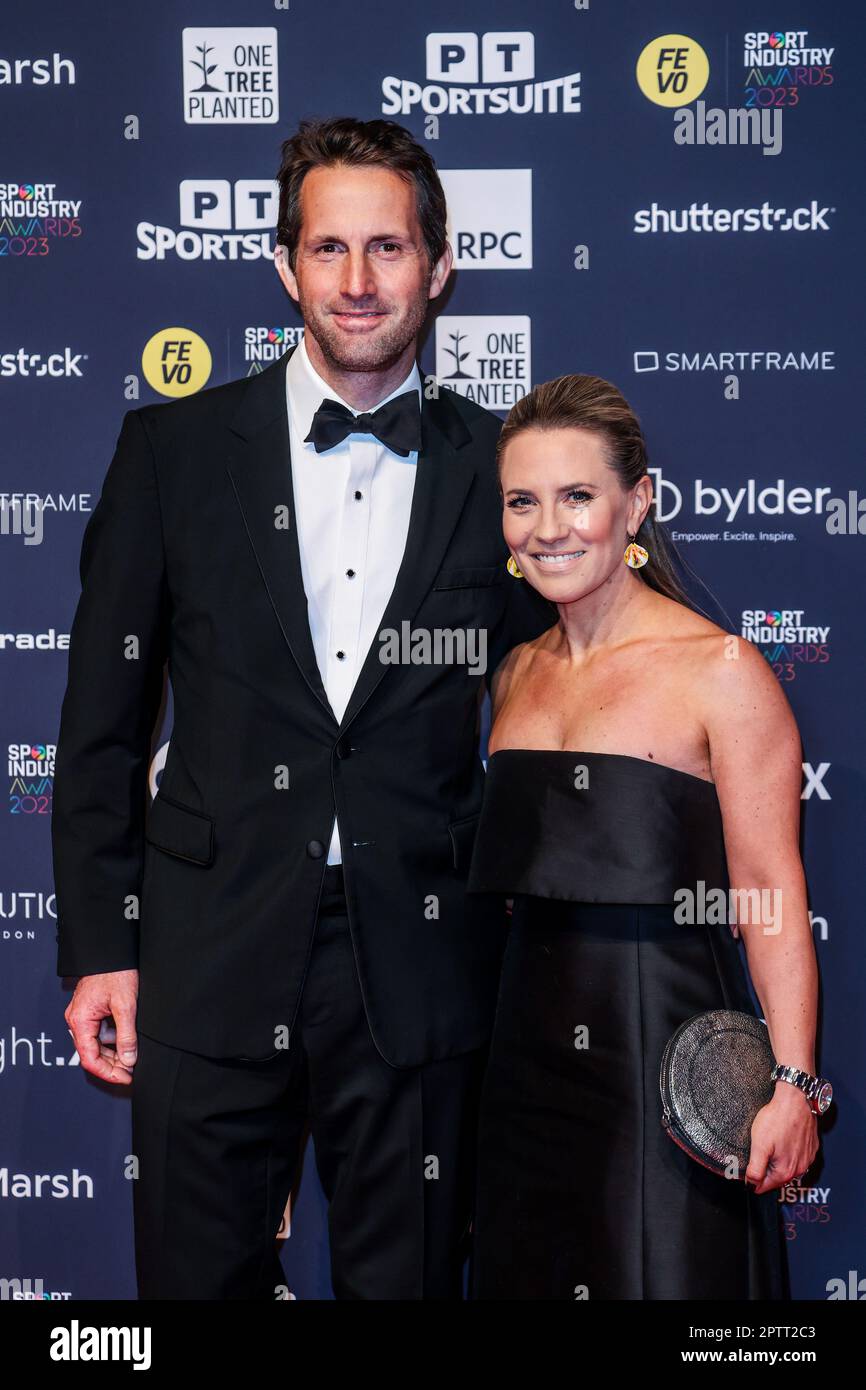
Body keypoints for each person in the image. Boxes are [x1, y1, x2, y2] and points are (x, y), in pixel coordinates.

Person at [51, 116, 551, 1300]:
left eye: (387, 249)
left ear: (438, 267)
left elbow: (578, 689)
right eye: (328, 249)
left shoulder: (509, 470)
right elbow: (101, 728)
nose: (358, 281)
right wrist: (101, 951)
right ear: (284, 268)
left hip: (423, 956)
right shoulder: (170, 452)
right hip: (205, 949)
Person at [466, 373, 827, 1300]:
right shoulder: (511, 676)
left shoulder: (720, 670)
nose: (549, 526)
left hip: (667, 1069)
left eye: (578, 496)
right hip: (521, 1070)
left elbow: (769, 892)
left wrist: (793, 1084)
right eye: (523, 500)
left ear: (638, 505)